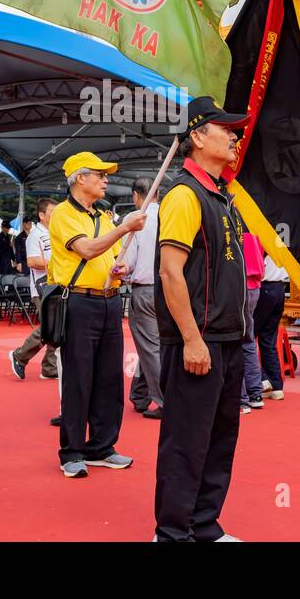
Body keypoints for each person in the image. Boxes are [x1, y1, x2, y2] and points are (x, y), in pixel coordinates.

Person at [154, 97, 250, 542]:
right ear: (197, 136)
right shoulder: (183, 194)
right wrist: (193, 339)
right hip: (199, 340)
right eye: (224, 129)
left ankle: (204, 525)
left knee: (219, 439)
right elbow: (170, 271)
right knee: (186, 442)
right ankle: (173, 532)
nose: (233, 136)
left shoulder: (222, 196)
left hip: (228, 338)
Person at [51, 152, 145, 478]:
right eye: (101, 174)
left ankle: (102, 447)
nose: (106, 180)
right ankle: (72, 451)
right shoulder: (63, 214)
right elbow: (88, 250)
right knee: (79, 379)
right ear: (80, 178)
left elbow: (113, 258)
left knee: (108, 379)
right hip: (78, 302)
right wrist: (124, 229)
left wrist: (122, 268)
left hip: (109, 300)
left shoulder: (103, 215)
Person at [121, 176, 163, 419]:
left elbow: (129, 260)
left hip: (145, 289)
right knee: (153, 344)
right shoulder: (169, 215)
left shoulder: (137, 219)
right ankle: (140, 395)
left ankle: (164, 399)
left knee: (149, 346)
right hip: (168, 288)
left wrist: (121, 271)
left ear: (136, 195)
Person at [9, 199, 59, 381]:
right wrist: (57, 263)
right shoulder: (35, 235)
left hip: (56, 285)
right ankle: (20, 356)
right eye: (52, 211)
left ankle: (49, 367)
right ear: (42, 215)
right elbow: (31, 261)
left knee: (57, 326)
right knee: (49, 327)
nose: (56, 214)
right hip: (43, 288)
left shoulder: (55, 232)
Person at [254, 250, 289, 400]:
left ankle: (261, 379)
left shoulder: (265, 241)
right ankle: (276, 386)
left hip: (265, 288)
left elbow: (258, 268)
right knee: (268, 340)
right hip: (279, 289)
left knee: (248, 338)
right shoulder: (281, 241)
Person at [239, 231, 265, 413]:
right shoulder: (256, 228)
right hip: (254, 287)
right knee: (248, 341)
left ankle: (241, 398)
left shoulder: (234, 224)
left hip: (240, 287)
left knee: (235, 342)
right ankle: (255, 393)